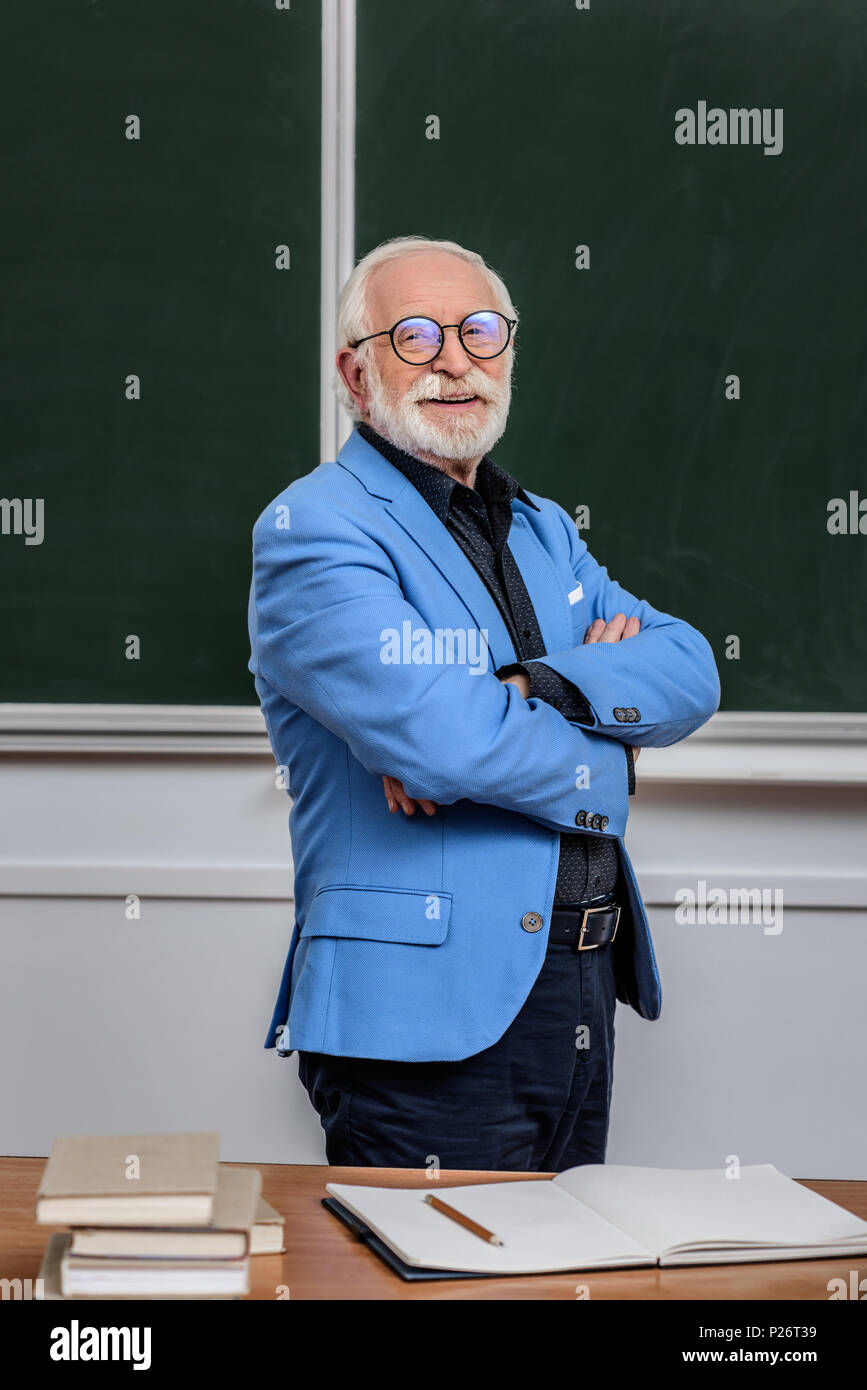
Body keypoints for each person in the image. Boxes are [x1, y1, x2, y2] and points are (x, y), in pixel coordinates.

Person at [247, 235, 720, 1170]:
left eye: (479, 331)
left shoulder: (543, 529)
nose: (455, 361)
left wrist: (535, 683)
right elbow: (443, 744)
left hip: (581, 984)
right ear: (356, 370)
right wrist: (612, 753)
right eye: (415, 336)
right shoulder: (316, 529)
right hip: (426, 1013)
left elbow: (689, 667)